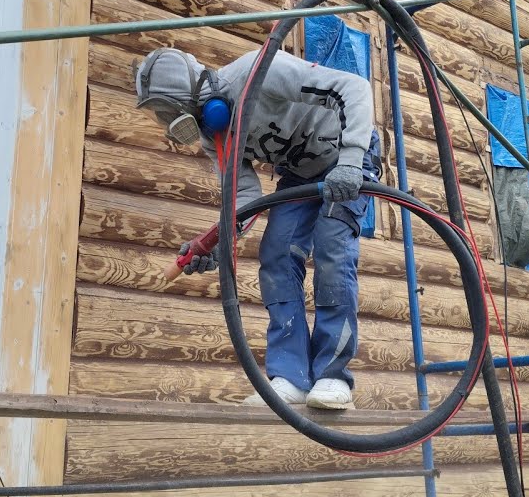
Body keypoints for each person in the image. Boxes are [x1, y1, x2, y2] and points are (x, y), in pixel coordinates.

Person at [133, 47, 380, 410]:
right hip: (300, 174)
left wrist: (351, 160)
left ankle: (332, 376)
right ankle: (291, 377)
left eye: (166, 110)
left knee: (332, 246)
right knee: (277, 256)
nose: (167, 122)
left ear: (190, 93)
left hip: (347, 156)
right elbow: (245, 195)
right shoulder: (213, 134)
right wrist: (215, 245)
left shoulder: (259, 72)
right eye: (161, 116)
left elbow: (354, 88)